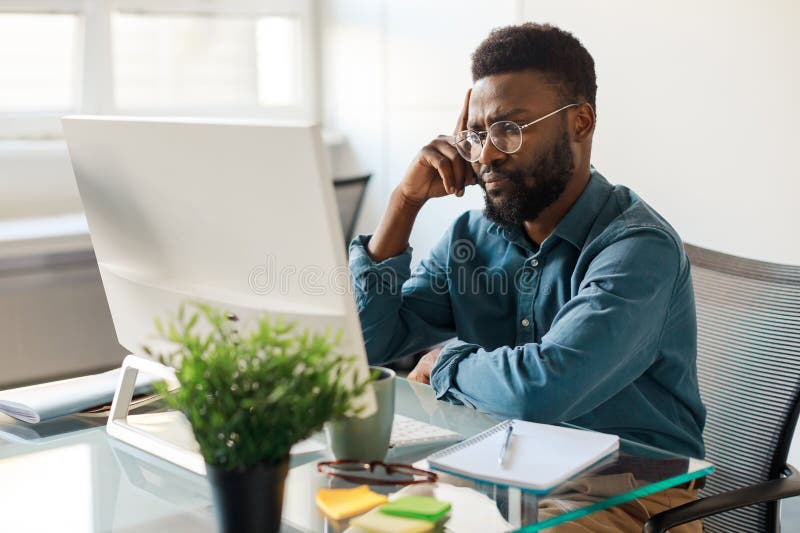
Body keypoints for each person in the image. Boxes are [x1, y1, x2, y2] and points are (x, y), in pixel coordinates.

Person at [348, 22, 705, 531]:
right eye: (476, 134)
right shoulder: (472, 235)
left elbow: (542, 390)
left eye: (509, 130)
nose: (486, 154)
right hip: (498, 469)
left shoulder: (637, 248)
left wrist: (446, 360)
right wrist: (403, 204)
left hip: (632, 496)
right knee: (361, 512)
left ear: (580, 123)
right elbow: (367, 340)